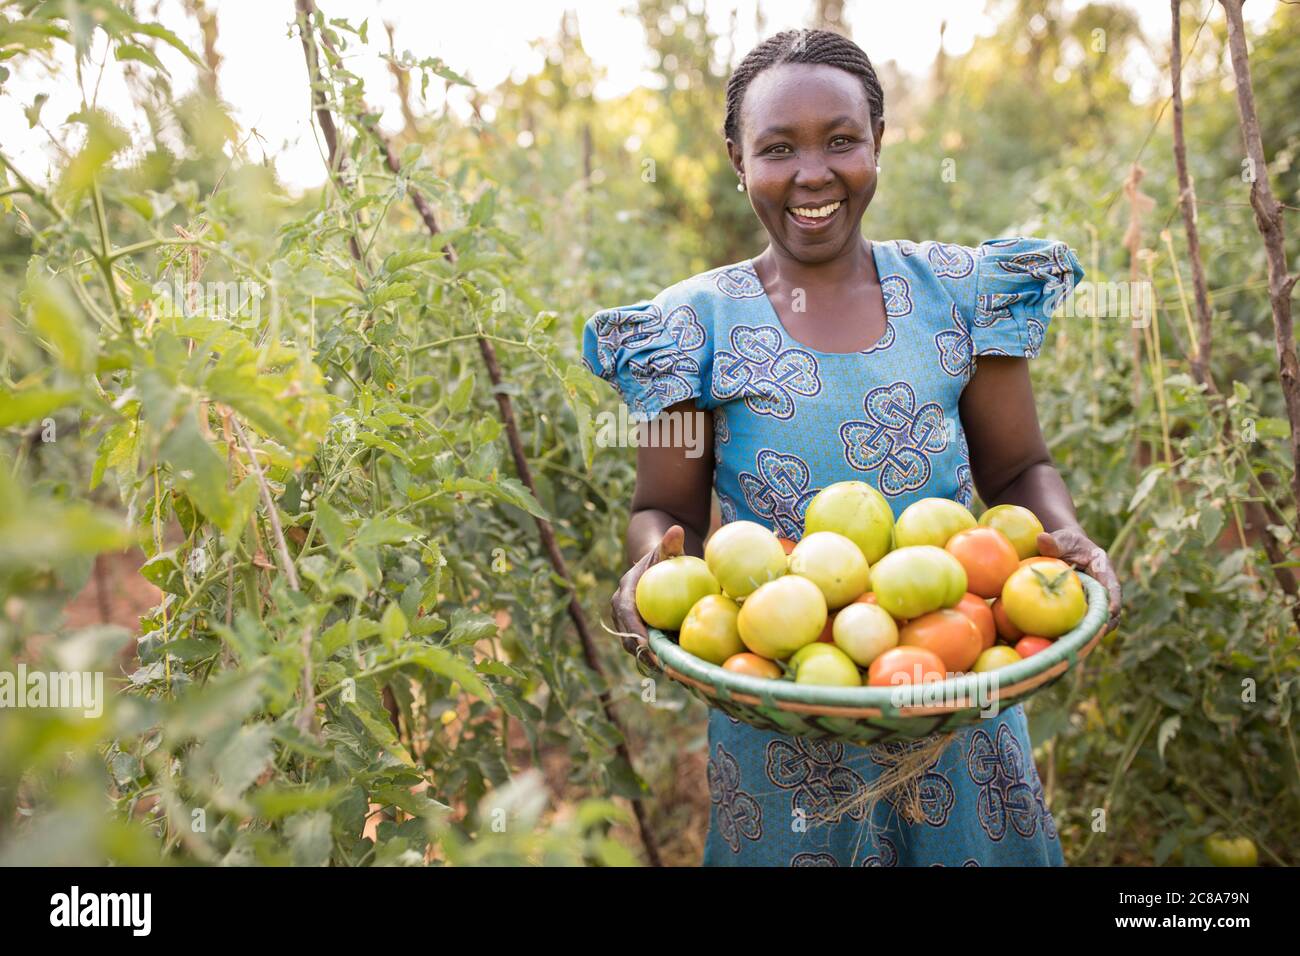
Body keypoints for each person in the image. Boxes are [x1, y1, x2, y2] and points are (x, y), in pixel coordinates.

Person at [583, 29, 1122, 867]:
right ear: (736, 158)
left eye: (841, 140)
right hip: (781, 694)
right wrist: (652, 565)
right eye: (777, 148)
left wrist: (1065, 535)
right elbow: (665, 509)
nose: (813, 173)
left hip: (954, 682)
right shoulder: (691, 325)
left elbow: (1018, 469)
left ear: (878, 143)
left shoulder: (961, 293)